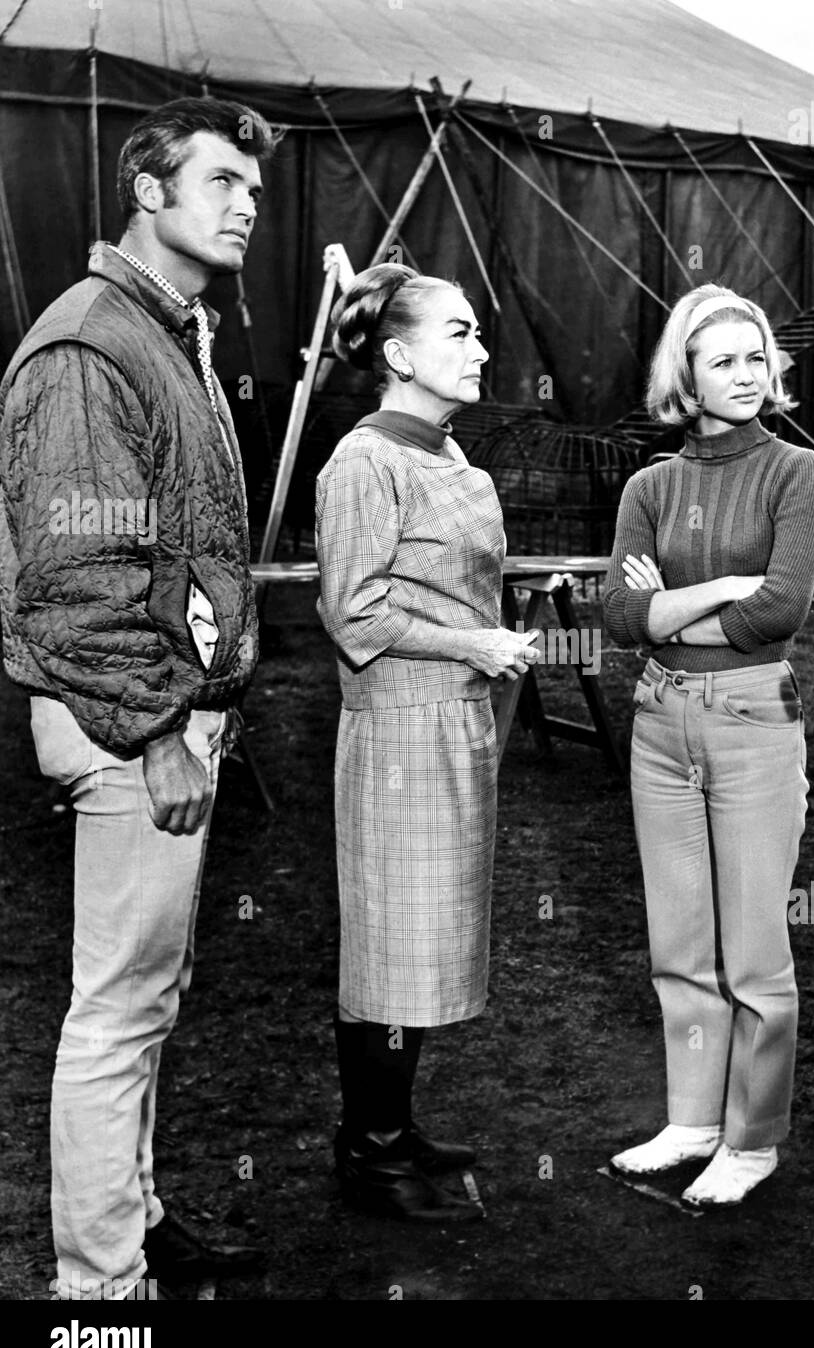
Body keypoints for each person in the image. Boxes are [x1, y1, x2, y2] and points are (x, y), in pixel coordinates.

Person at [0, 97, 279, 1298]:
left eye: (253, 190)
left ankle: (137, 1217)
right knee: (113, 1013)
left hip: (160, 707)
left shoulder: (174, 329)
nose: (246, 205)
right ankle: (99, 1296)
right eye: (219, 181)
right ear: (146, 192)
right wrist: (162, 731)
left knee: (148, 998)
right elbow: (77, 580)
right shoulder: (89, 345)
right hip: (123, 717)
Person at [316, 256, 539, 1223]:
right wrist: (475, 642)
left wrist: (484, 649)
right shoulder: (366, 462)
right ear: (399, 356)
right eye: (460, 333)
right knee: (389, 949)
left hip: (455, 721)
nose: (481, 349)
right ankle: (369, 1159)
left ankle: (391, 1128)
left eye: (480, 331)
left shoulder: (450, 456)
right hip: (400, 729)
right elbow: (353, 614)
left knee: (427, 940)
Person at [603, 284, 814, 1206]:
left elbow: (779, 611)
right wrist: (718, 589)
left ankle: (754, 1138)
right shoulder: (648, 486)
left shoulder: (796, 472)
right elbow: (619, 617)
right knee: (679, 944)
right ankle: (693, 1121)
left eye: (756, 357)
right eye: (722, 359)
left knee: (753, 952)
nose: (745, 374)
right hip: (656, 722)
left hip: (751, 721)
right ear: (685, 376)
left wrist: (672, 606)